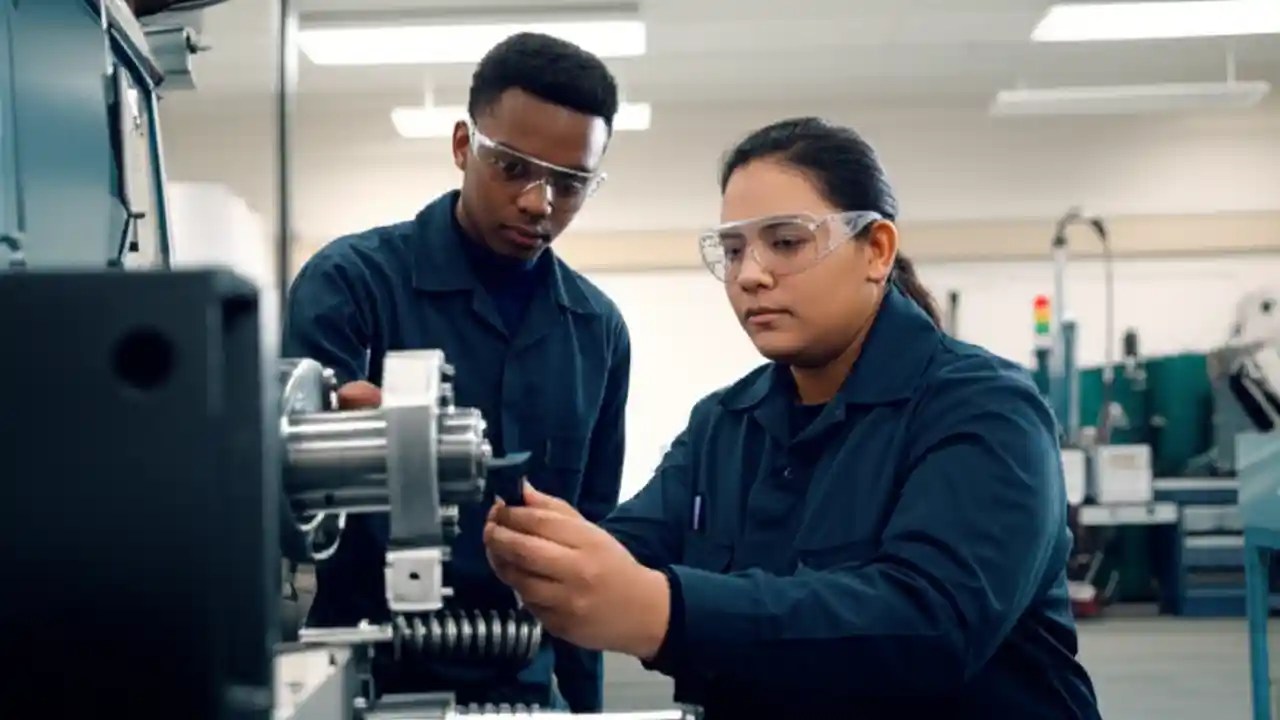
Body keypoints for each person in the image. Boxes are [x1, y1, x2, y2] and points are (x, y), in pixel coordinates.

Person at [482, 117, 1103, 718]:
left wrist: (664, 611)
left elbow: (930, 627)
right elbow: (629, 550)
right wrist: (536, 542)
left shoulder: (984, 409)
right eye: (732, 249)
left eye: (785, 242)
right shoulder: (724, 425)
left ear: (876, 250)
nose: (750, 275)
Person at [282, 33, 630, 713]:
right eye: (513, 167)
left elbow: (590, 538)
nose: (540, 203)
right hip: (362, 673)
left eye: (570, 183)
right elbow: (296, 505)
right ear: (464, 145)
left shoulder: (597, 330)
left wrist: (585, 708)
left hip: (522, 683)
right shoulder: (352, 285)